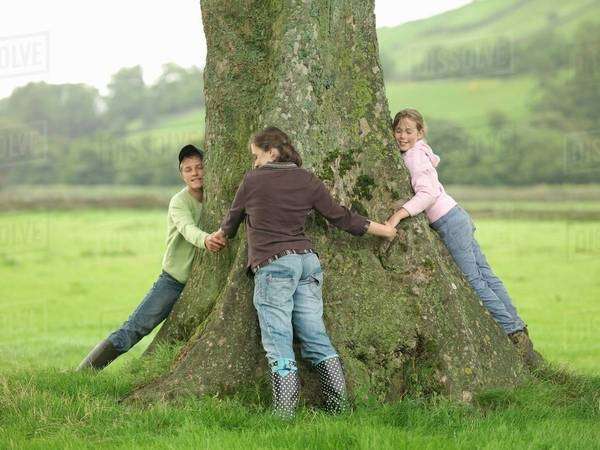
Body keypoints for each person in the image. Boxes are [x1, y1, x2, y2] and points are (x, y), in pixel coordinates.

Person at [212, 127, 397, 417]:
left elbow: (231, 222)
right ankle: (339, 408)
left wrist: (220, 236)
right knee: (315, 336)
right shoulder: (307, 179)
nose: (254, 163)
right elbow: (341, 217)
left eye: (256, 156)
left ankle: (284, 416)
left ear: (271, 152)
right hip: (307, 262)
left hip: (274, 265)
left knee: (278, 339)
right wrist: (384, 230)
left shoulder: (252, 180)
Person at [385, 109, 538, 367]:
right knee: (486, 274)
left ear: (420, 132)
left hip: (449, 221)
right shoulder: (421, 151)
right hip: (457, 215)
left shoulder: (414, 157)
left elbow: (428, 193)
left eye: (409, 131)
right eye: (398, 130)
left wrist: (399, 214)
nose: (402, 136)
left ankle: (513, 331)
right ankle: (516, 324)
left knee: (474, 279)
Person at [76, 145, 226, 371]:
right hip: (173, 281)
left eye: (199, 167)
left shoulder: (218, 199)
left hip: (210, 283)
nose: (195, 173)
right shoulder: (179, 201)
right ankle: (83, 374)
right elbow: (187, 228)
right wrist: (206, 240)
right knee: (135, 328)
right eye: (188, 169)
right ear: (181, 174)